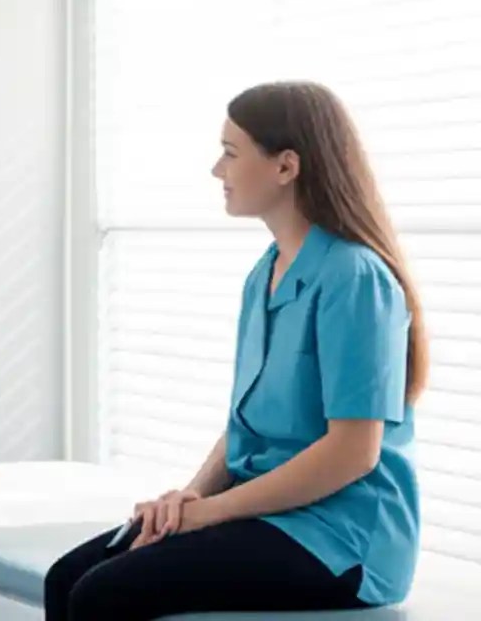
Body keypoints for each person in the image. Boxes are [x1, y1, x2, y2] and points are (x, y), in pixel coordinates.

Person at [44, 81, 425, 620]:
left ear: (285, 166)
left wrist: (213, 514)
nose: (216, 171)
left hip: (342, 538)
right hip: (269, 515)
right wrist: (188, 501)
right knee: (66, 578)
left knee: (101, 595)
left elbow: (353, 452)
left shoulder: (354, 277)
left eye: (229, 153)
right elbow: (245, 424)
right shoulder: (265, 275)